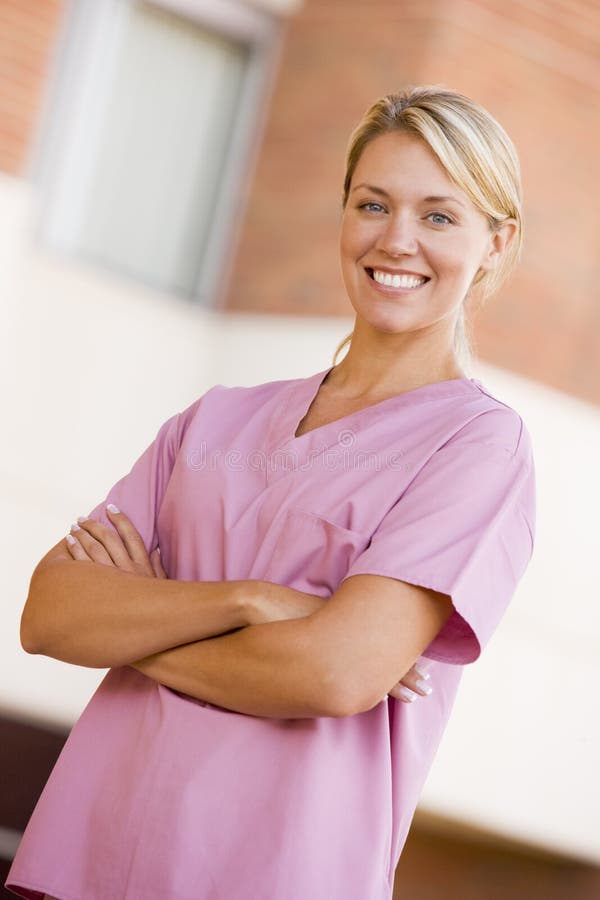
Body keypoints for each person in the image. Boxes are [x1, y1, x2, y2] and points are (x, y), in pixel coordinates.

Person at [6, 84, 536, 900]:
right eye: (373, 204)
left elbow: (332, 675)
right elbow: (51, 614)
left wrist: (138, 618)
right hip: (83, 860)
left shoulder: (475, 446)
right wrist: (256, 602)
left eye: (438, 216)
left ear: (495, 245)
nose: (397, 240)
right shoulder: (215, 420)